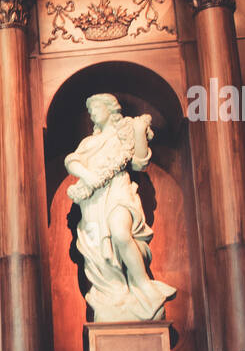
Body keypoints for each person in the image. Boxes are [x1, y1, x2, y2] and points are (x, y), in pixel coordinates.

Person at [64, 92, 176, 322]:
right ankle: (117, 295)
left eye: (96, 107)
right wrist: (89, 175)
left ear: (110, 109)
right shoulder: (90, 142)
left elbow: (138, 162)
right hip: (94, 202)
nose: (92, 113)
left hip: (118, 191)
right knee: (100, 254)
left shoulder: (123, 136)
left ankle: (144, 285)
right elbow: (71, 161)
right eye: (90, 109)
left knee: (121, 234)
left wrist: (138, 131)